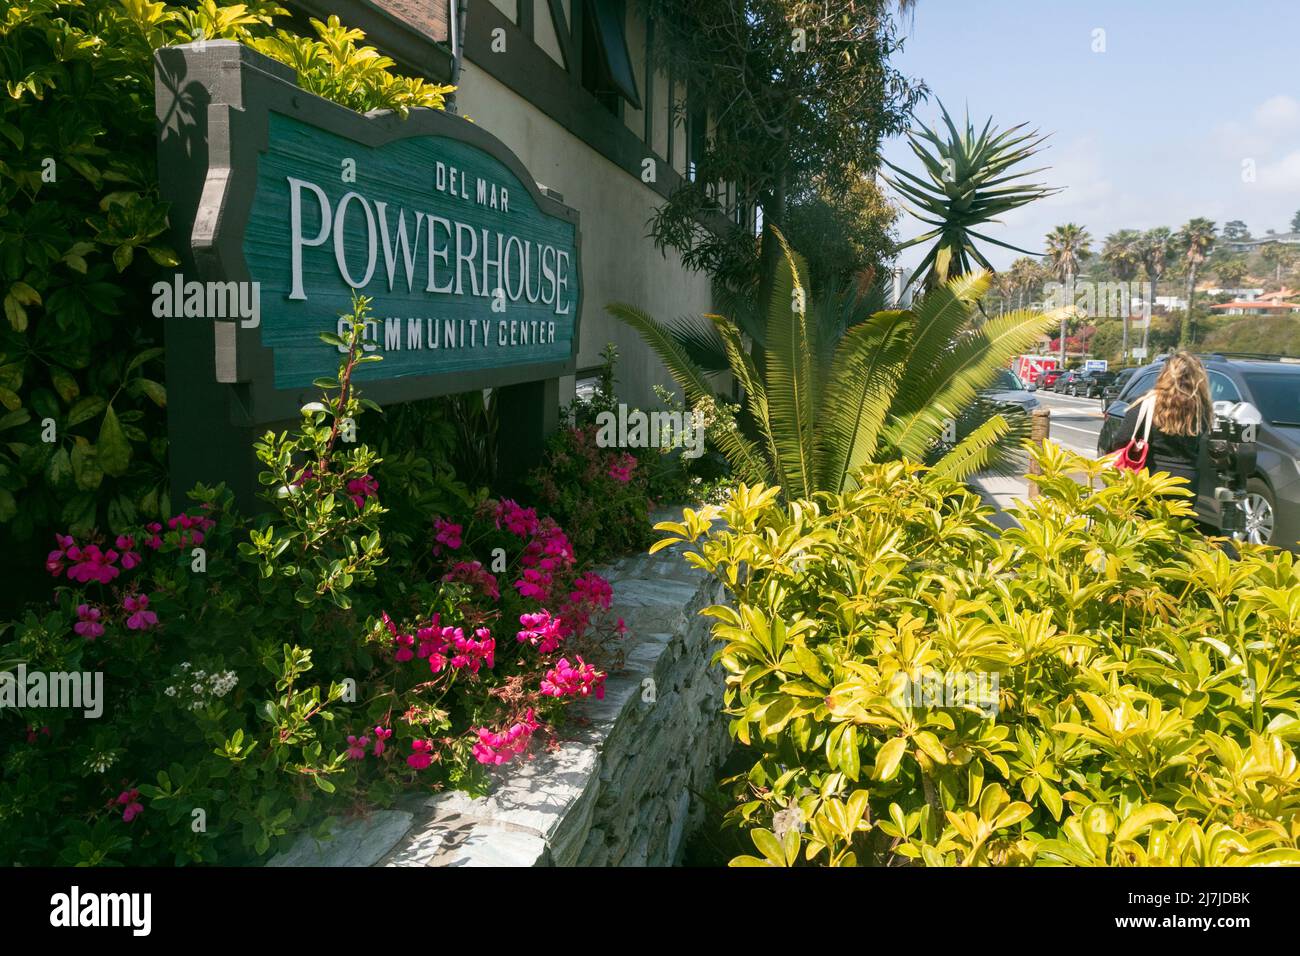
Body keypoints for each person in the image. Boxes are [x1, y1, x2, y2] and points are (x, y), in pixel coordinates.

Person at [1107, 351, 1213, 485]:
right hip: (1186, 479)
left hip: (1150, 475)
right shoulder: (1201, 408)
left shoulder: (1147, 402)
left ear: (1165, 374)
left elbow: (1122, 439)